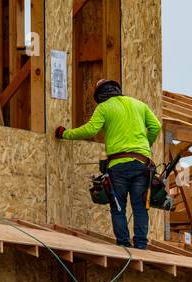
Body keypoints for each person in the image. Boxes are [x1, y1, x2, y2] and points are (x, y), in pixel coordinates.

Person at [55, 79, 162, 250]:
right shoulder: (139, 105)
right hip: (142, 164)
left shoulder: (104, 107)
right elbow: (156, 126)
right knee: (140, 206)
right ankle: (141, 246)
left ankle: (124, 245)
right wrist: (144, 146)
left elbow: (91, 130)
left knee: (118, 206)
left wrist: (65, 134)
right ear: (117, 90)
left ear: (100, 96)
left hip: (118, 166)